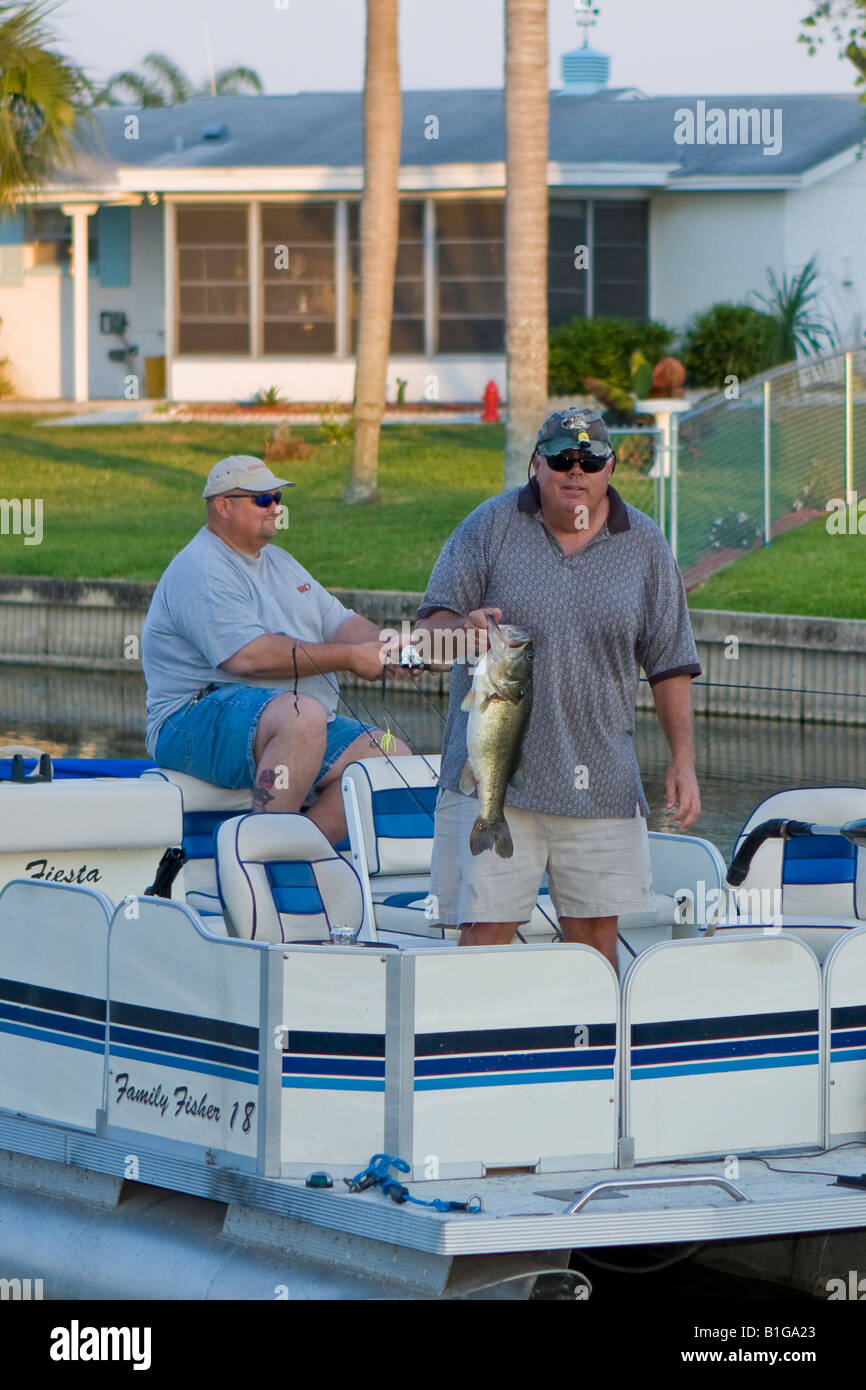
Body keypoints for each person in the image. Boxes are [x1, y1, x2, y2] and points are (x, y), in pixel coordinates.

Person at [414, 408, 702, 971]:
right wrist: (460, 633)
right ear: (535, 464)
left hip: (602, 780)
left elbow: (670, 663)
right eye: (563, 459)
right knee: (484, 936)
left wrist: (683, 762)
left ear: (611, 467)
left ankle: (590, 1053)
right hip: (493, 785)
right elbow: (427, 641)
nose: (577, 471)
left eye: (591, 460)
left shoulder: (644, 543)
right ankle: (478, 1053)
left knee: (596, 943)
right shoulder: (488, 526)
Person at [141, 454, 409, 844]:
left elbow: (339, 622)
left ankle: (293, 855)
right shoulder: (201, 567)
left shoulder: (279, 561)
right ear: (223, 505)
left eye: (277, 497)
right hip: (188, 720)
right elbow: (249, 657)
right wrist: (351, 658)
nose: (275, 507)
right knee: (301, 714)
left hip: (282, 719)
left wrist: (390, 647)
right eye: (262, 499)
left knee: (389, 755)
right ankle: (258, 859)